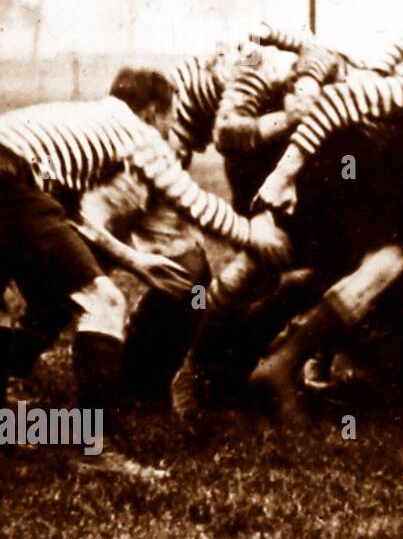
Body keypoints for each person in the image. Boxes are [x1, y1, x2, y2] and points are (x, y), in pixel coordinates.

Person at [0, 67, 289, 475]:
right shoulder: (138, 133)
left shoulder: (82, 121)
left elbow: (71, 221)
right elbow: (194, 204)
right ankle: (93, 448)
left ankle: (10, 426)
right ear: (153, 111)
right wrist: (257, 237)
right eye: (170, 117)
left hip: (9, 178)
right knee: (103, 301)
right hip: (5, 179)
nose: (172, 127)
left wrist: (133, 260)